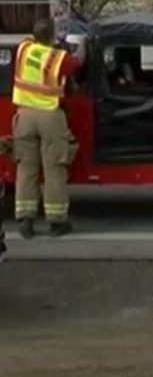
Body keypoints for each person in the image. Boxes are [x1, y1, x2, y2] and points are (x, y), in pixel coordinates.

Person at [10, 17, 85, 238]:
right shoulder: (58, 58)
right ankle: (56, 222)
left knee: (26, 169)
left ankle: (25, 220)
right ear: (53, 37)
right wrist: (83, 44)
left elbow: (37, 44)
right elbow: (77, 62)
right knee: (54, 170)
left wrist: (53, 39)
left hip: (24, 116)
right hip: (50, 117)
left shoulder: (24, 49)